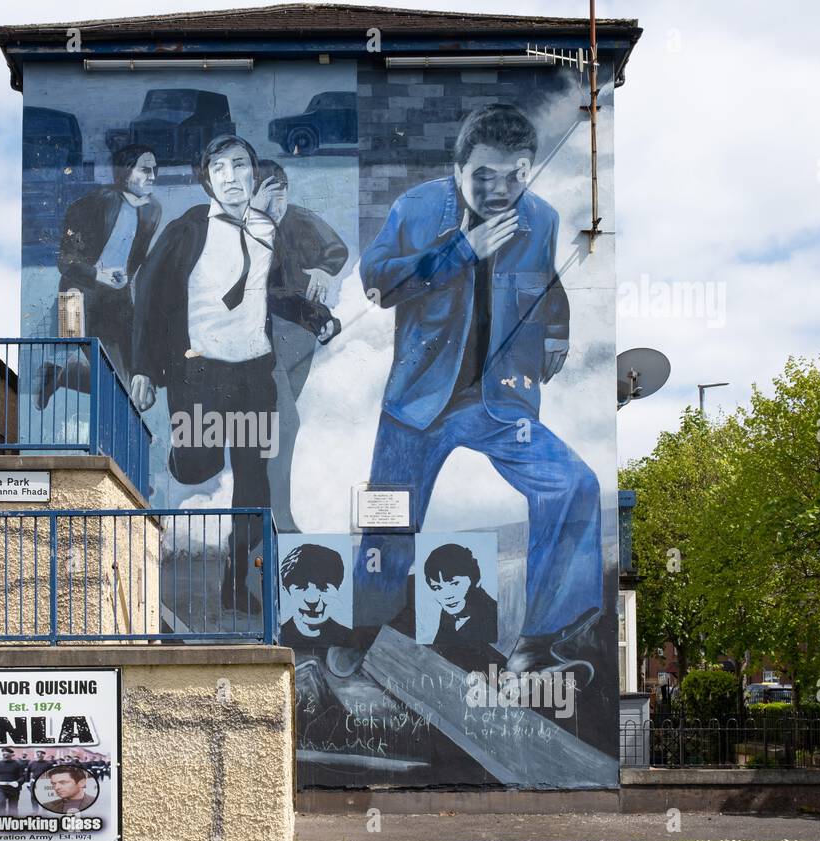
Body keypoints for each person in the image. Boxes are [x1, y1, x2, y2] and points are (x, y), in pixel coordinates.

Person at [354, 103, 602, 680]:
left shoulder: (539, 217)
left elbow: (546, 280)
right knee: (388, 524)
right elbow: (376, 281)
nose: (499, 189)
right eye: (483, 176)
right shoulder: (417, 208)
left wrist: (556, 332)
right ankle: (366, 635)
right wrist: (463, 251)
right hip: (417, 403)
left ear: (528, 168)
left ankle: (537, 645)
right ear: (458, 167)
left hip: (496, 403)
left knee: (575, 484)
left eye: (514, 175)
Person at [131, 134, 283, 611]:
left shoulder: (268, 231)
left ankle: (236, 584)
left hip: (255, 375)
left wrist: (317, 315)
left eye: (240, 166)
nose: (232, 176)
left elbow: (274, 293)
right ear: (207, 180)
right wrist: (142, 368)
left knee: (254, 485)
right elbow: (148, 294)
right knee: (202, 464)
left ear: (253, 175)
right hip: (199, 372)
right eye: (219, 168)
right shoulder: (188, 229)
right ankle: (187, 455)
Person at [255, 159, 348, 533]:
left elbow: (336, 249)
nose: (277, 206)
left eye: (283, 196)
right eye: (268, 198)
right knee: (285, 422)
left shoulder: (301, 220)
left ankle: (269, 507)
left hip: (301, 334)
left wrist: (325, 271)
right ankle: (281, 516)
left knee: (278, 424)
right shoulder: (241, 231)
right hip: (261, 337)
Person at [35, 144, 162, 408]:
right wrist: (99, 275)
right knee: (125, 392)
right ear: (125, 173)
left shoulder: (152, 211)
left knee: (141, 397)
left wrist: (124, 280)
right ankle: (57, 373)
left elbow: (134, 260)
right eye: (144, 169)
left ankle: (63, 375)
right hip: (75, 297)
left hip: (117, 300)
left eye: (155, 169)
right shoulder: (93, 203)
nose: (152, 176)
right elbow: (65, 261)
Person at [420, 543, 503, 673]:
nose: (447, 596)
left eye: (454, 584)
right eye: (437, 588)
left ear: (476, 579)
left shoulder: (494, 616)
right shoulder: (451, 611)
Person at [278, 543, 355, 650]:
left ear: (338, 590)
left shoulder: (350, 642)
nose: (312, 600)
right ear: (285, 590)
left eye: (323, 588)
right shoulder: (276, 641)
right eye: (301, 587)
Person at [0, 748, 30, 817]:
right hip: (1, 788)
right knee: (0, 802)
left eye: (7, 752)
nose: (4, 754)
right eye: (3, 753)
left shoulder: (18, 764)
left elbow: (23, 777)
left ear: (12, 754)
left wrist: (17, 782)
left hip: (14, 788)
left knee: (13, 807)